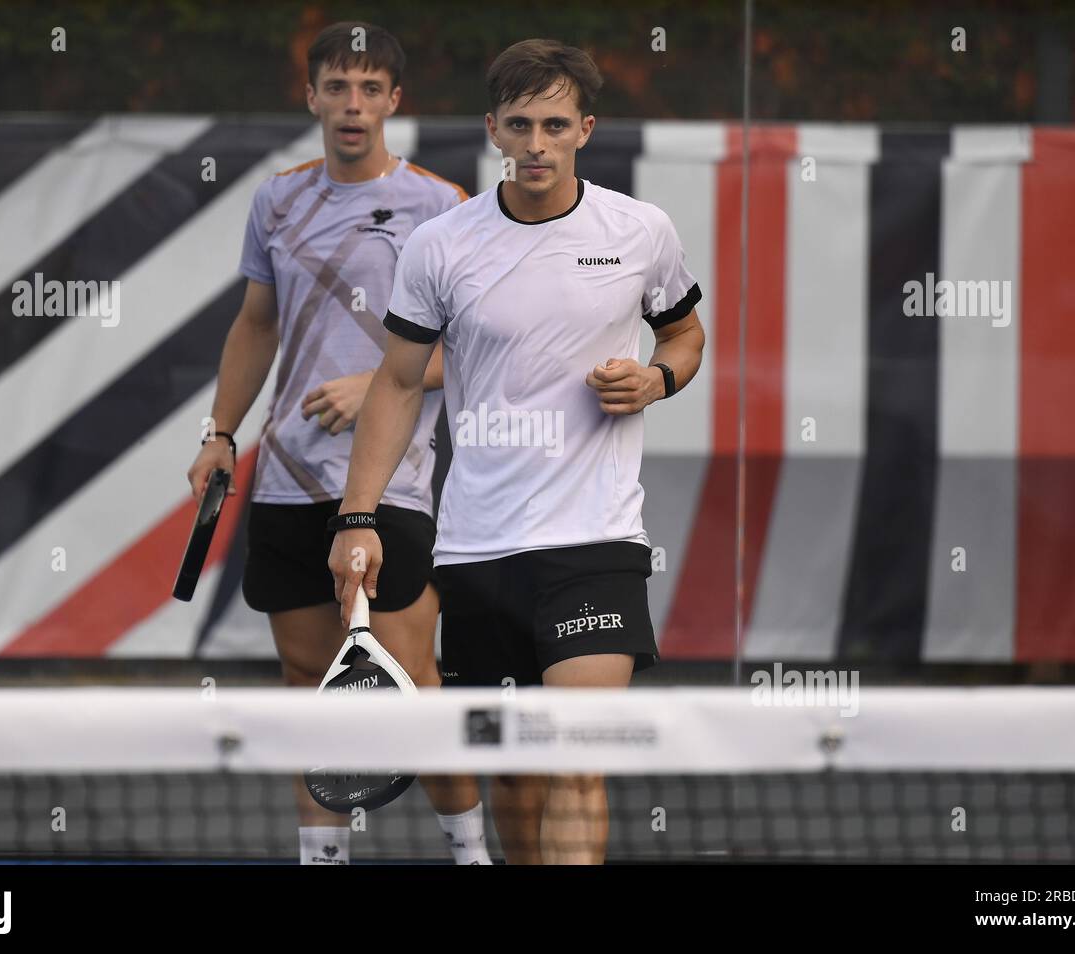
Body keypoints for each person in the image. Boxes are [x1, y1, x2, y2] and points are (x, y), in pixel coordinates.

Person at [327, 38, 706, 864]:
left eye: (556, 125)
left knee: (575, 761)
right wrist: (358, 519)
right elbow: (398, 383)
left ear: (585, 130)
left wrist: (656, 379)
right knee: (518, 774)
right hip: (479, 548)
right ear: (493, 128)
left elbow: (684, 334)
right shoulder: (441, 245)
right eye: (522, 125)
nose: (538, 144)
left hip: (597, 541)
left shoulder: (641, 232)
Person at [186, 20, 489, 866]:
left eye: (369, 89)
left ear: (394, 101)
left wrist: (377, 383)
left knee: (415, 686)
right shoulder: (276, 200)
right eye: (338, 87)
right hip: (287, 481)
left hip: (392, 484)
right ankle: (322, 859)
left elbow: (472, 347)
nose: (353, 104)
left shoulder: (442, 205)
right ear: (312, 96)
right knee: (307, 688)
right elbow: (256, 325)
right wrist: (220, 433)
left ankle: (471, 857)